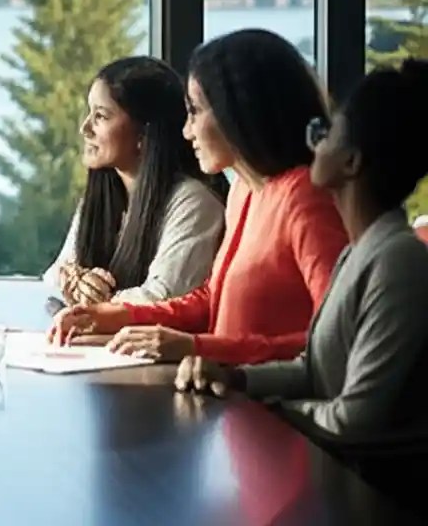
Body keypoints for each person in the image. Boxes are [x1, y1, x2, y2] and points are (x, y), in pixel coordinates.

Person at [48, 28, 349, 365]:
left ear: (236, 112)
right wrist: (120, 315)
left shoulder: (306, 199)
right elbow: (212, 299)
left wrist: (199, 348)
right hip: (232, 397)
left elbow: (337, 341)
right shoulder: (244, 190)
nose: (185, 130)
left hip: (276, 409)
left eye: (194, 112)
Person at [175, 59, 428, 438]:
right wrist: (237, 379)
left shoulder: (397, 262)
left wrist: (265, 412)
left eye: (326, 135)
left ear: (351, 162)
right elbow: (313, 370)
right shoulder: (358, 253)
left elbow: (354, 418)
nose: (314, 144)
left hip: (358, 489)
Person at [44, 57, 226, 305]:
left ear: (143, 133)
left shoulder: (194, 202)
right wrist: (75, 281)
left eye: (101, 116)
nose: (85, 129)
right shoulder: (102, 197)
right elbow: (54, 276)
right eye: (90, 113)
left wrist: (99, 300)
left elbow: (164, 297)